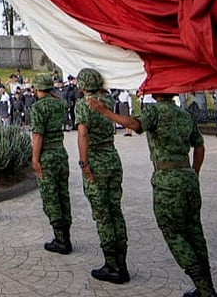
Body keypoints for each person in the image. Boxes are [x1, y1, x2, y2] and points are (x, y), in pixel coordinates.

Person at [90, 90, 216, 294]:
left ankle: (206, 291)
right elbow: (199, 146)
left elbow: (132, 124)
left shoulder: (154, 112)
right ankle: (205, 286)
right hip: (188, 177)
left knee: (173, 232)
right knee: (195, 233)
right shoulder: (185, 115)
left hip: (167, 180)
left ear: (156, 93)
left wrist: (104, 111)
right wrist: (194, 172)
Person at [74, 67, 129, 284]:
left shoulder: (83, 105)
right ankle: (121, 261)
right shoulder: (108, 102)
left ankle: (112, 265)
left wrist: (83, 163)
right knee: (115, 210)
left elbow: (82, 133)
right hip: (112, 157)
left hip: (96, 160)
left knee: (103, 214)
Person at [30, 73, 72, 254]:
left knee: (51, 197)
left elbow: (38, 135)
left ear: (37, 88)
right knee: (63, 194)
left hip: (46, 154)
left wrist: (35, 159)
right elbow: (59, 100)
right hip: (60, 153)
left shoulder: (37, 108)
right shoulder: (60, 104)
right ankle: (66, 235)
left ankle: (60, 239)